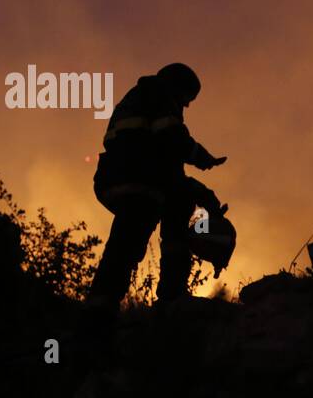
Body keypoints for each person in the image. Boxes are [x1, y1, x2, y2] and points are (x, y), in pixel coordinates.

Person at [84, 63, 226, 315]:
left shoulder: (144, 99)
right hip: (136, 182)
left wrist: (203, 194)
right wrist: (202, 157)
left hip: (125, 178)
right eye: (187, 98)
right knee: (128, 244)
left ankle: (104, 311)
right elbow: (173, 139)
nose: (187, 106)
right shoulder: (159, 96)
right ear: (176, 87)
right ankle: (103, 317)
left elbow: (168, 171)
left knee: (128, 243)